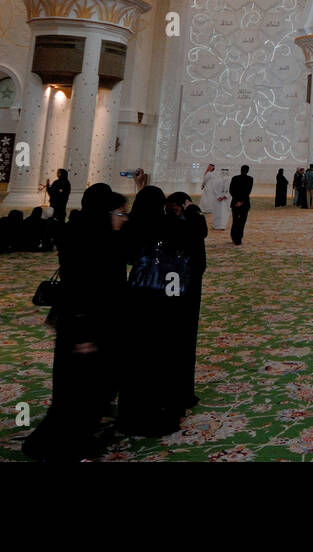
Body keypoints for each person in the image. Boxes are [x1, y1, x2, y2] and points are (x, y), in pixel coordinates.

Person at [23, 184, 128, 461]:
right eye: (120, 212)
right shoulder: (89, 243)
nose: (123, 218)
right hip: (85, 327)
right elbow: (81, 291)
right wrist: (84, 335)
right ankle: (64, 446)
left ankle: (70, 441)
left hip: (91, 324)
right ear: (104, 213)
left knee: (86, 390)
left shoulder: (94, 235)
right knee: (80, 393)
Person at [118, 186, 184, 437]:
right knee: (159, 353)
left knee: (135, 354)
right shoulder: (167, 224)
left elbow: (125, 256)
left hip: (136, 294)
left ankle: (131, 414)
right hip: (163, 293)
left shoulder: (130, 225)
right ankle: (157, 412)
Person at [166, 191, 208, 414]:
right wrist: (192, 209)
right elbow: (200, 231)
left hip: (172, 286)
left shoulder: (169, 224)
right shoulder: (180, 226)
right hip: (176, 285)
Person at [229, 165, 253, 245]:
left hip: (235, 203)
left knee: (235, 221)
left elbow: (231, 191)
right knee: (242, 221)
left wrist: (237, 201)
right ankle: (239, 238)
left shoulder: (234, 178)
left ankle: (234, 237)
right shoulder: (250, 179)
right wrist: (241, 201)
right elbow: (247, 191)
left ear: (240, 170)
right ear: (248, 171)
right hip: (245, 203)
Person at [201, 164, 229, 231]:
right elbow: (214, 189)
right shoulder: (217, 180)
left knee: (224, 213)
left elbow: (231, 190)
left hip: (225, 200)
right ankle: (216, 225)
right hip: (218, 199)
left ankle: (222, 225)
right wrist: (218, 196)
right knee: (217, 212)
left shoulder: (229, 180)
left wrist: (225, 196)